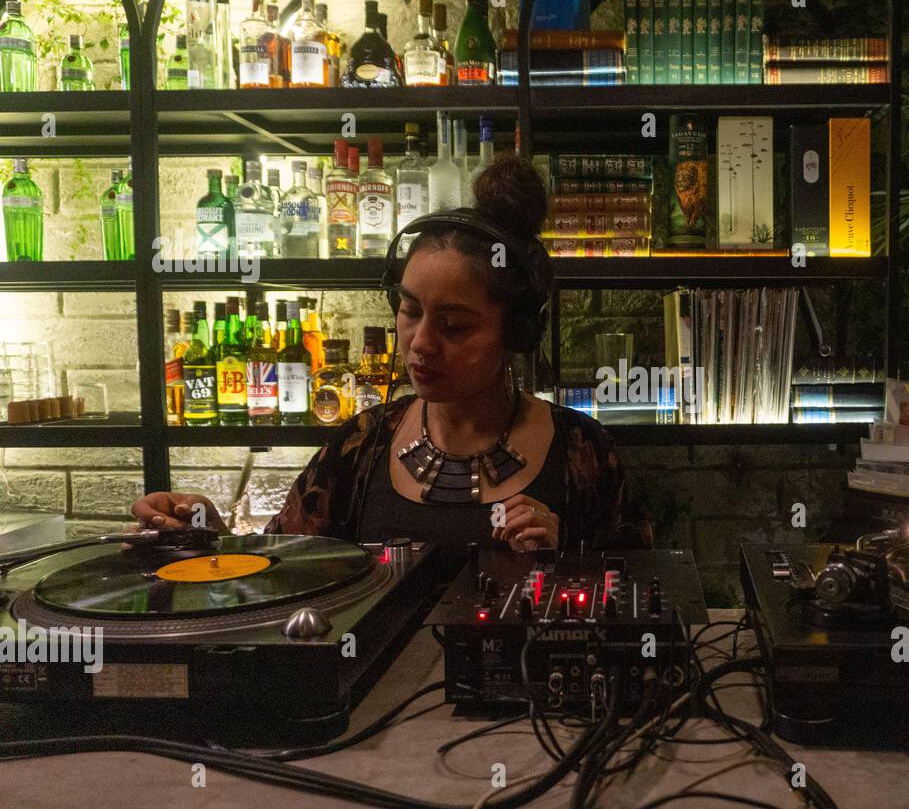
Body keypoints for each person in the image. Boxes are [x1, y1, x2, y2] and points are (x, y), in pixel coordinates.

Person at [130, 155, 643, 553]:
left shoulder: (585, 455)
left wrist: (565, 558)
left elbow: (638, 599)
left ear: (518, 333)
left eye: (455, 324)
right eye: (409, 310)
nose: (420, 341)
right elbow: (283, 569)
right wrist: (205, 532)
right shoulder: (358, 448)